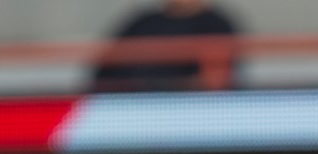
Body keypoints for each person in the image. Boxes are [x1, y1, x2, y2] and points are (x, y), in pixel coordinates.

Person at [92, 0, 238, 91]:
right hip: (132, 106)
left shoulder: (217, 24)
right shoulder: (143, 21)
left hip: (190, 108)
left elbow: (216, 80)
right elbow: (106, 69)